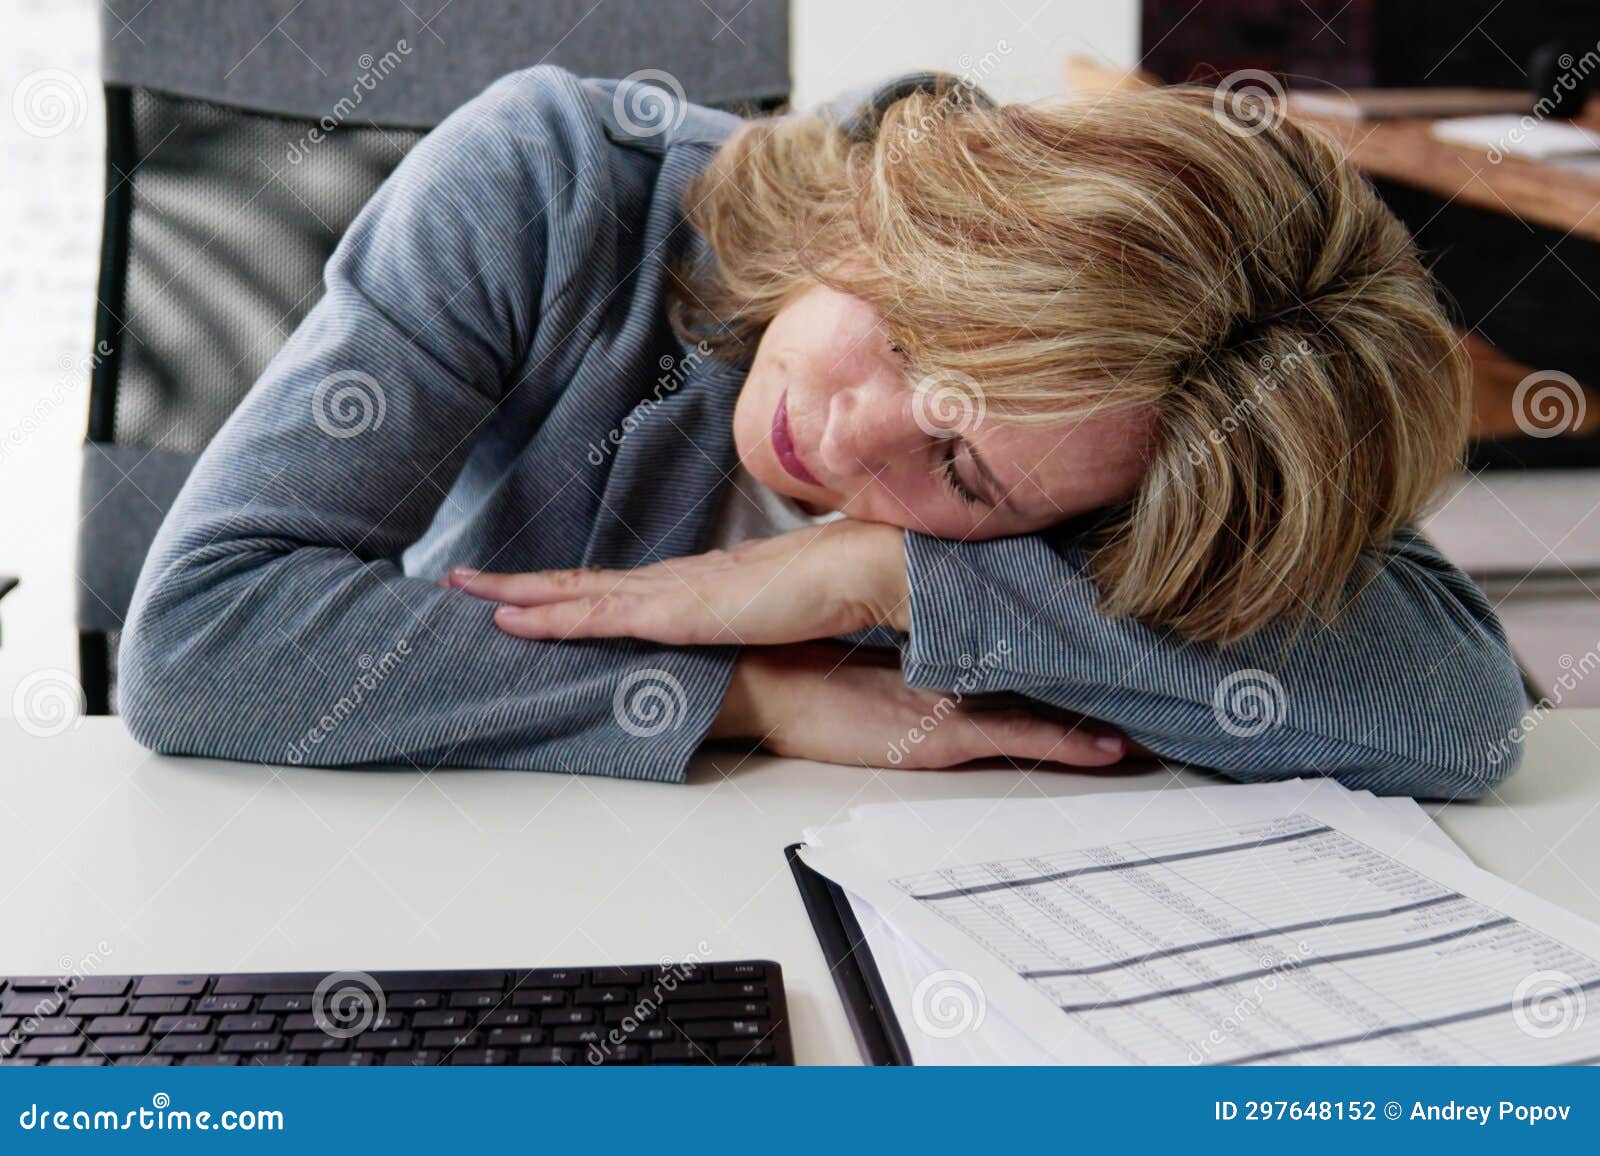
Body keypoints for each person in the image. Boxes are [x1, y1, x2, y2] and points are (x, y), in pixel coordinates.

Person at [117, 66, 1527, 797]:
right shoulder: (545, 180)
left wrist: (891, 574)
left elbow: (1458, 724)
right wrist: (745, 697)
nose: (848, 433)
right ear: (919, 211)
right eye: (913, 328)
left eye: (963, 472)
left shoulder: (1182, 400)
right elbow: (202, 646)